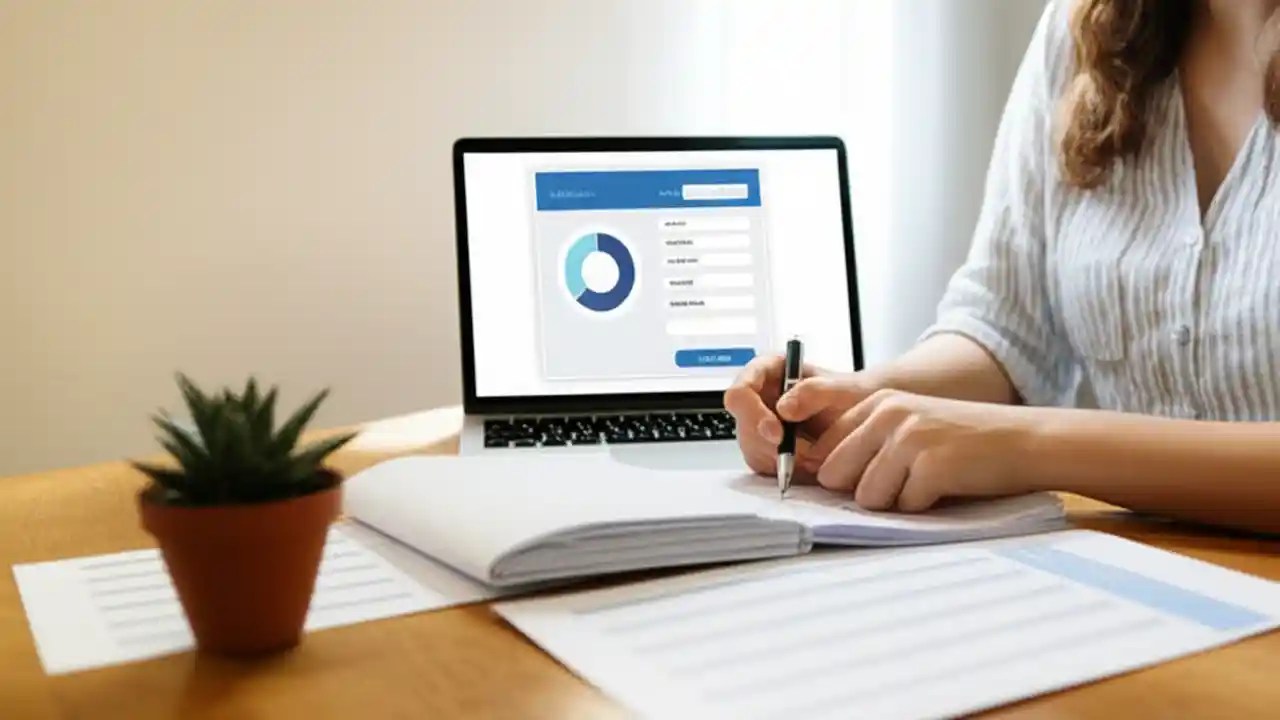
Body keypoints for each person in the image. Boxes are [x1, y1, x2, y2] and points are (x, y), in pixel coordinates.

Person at [725, 0, 1280, 534]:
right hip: (1146, 571)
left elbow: (1014, 431)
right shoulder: (1087, 33)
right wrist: (863, 402)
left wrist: (1027, 445)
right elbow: (1004, 332)